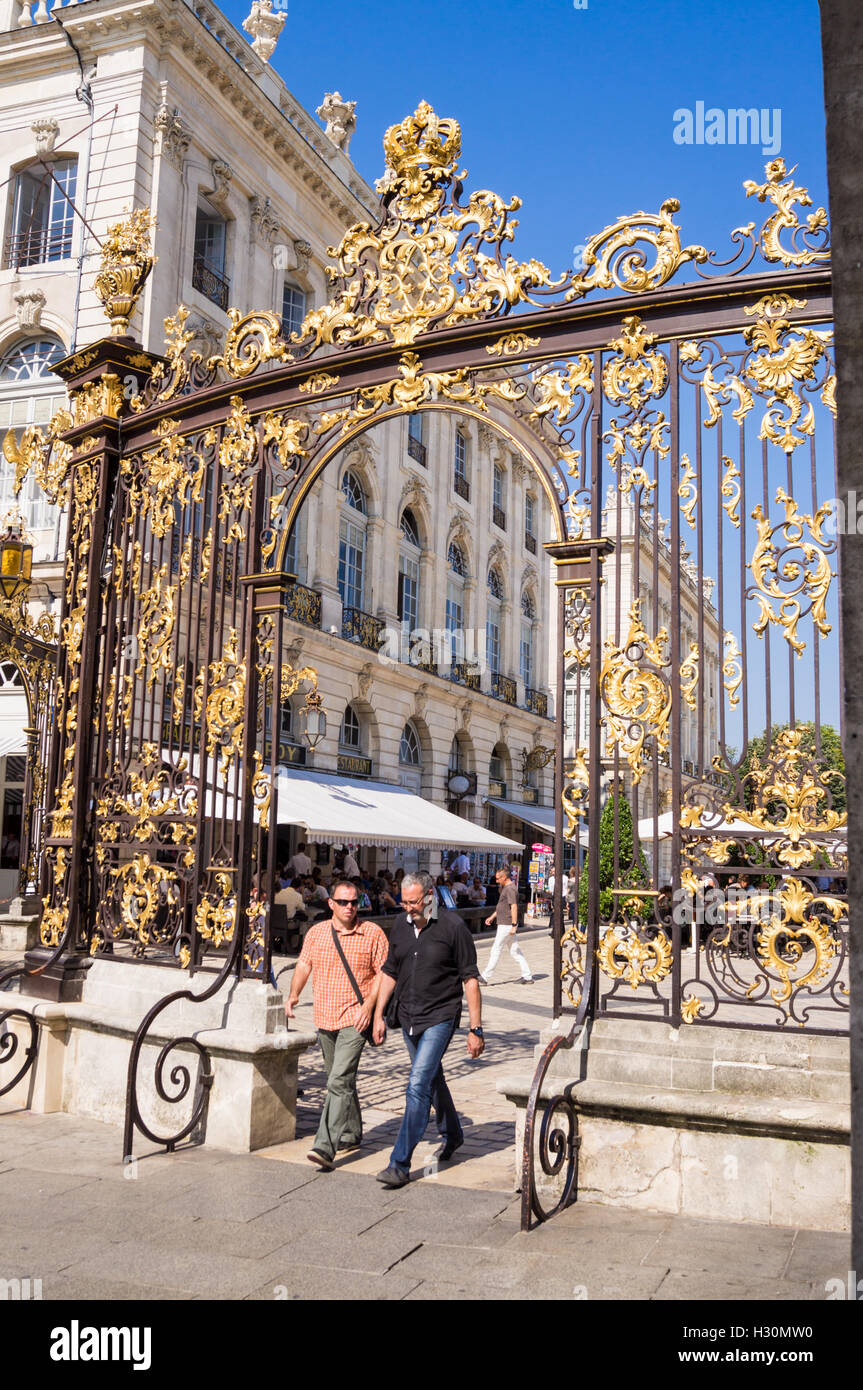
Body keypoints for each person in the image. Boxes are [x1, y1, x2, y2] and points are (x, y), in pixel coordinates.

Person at [371, 871, 484, 1188]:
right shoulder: (400, 926)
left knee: (417, 1083)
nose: (408, 908)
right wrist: (378, 1014)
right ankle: (454, 1133)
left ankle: (399, 1163)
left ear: (430, 896)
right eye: (404, 901)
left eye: (414, 902)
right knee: (432, 1078)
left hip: (440, 1016)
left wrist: (476, 1029)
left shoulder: (453, 928)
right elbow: (390, 972)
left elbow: (470, 980)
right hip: (408, 1017)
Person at [285, 879, 388, 1172]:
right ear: (331, 903)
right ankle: (351, 1132)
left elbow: (384, 974)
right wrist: (293, 994)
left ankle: (324, 1145)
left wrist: (371, 1008)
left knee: (338, 1080)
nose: (349, 907)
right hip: (325, 1017)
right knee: (339, 1078)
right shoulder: (317, 933)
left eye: (354, 901)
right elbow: (304, 964)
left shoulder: (372, 933)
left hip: (356, 1017)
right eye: (343, 902)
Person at [480, 868, 534, 985]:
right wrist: (493, 916)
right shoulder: (507, 888)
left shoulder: (510, 889)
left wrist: (514, 925)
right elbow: (502, 906)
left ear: (504, 877)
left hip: (506, 924)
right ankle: (527, 976)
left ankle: (485, 976)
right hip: (505, 923)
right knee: (515, 951)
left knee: (496, 949)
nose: (497, 881)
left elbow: (513, 907)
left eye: (498, 878)